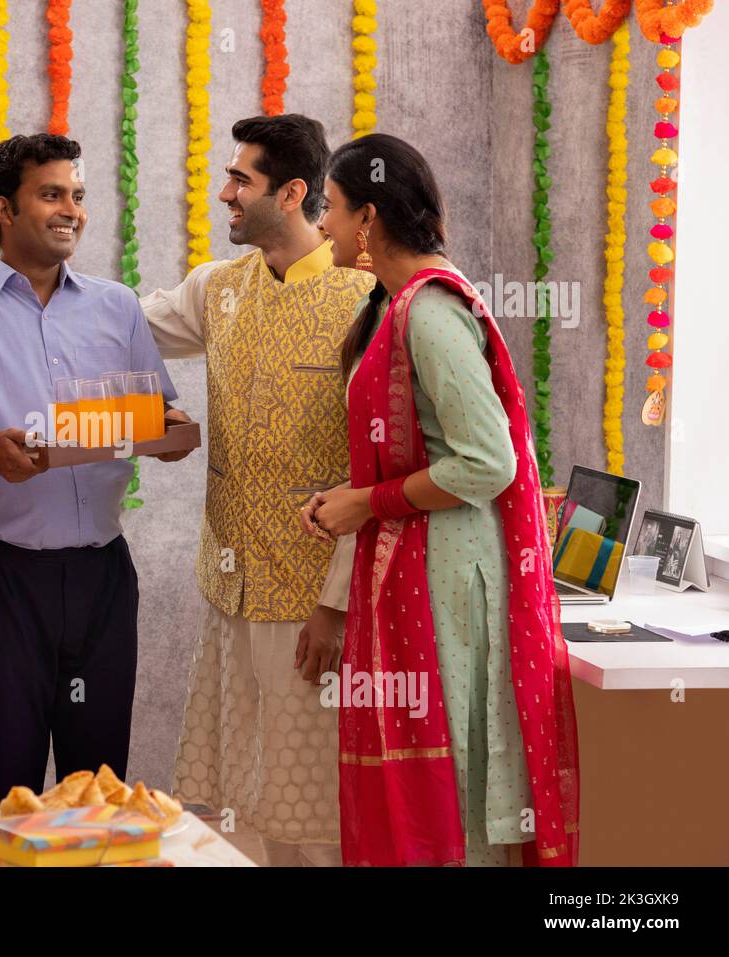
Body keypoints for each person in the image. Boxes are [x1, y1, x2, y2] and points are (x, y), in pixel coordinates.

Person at [0, 133, 191, 817]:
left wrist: (170, 435)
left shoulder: (117, 305)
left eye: (78, 196)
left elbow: (165, 416)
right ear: (4, 209)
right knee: (11, 794)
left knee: (98, 788)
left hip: (103, 581)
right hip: (1, 585)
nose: (72, 210)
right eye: (52, 194)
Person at [309, 133, 579, 866]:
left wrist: (368, 503)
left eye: (329, 208)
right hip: (425, 557)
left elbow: (486, 461)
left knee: (454, 784)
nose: (322, 224)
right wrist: (357, 497)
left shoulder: (428, 310)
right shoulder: (397, 303)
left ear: (368, 218)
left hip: (448, 574)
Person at [141, 114, 374, 867]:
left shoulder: (366, 297)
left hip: (316, 602)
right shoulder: (219, 289)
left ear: (294, 191)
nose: (224, 193)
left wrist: (335, 603)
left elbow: (377, 470)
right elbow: (114, 323)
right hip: (230, 588)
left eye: (241, 179)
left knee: (324, 816)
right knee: (255, 800)